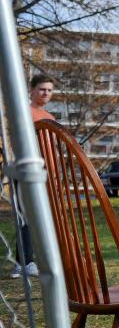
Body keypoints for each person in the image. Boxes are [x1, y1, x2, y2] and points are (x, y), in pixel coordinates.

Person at [11, 75, 56, 279]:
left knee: (37, 218)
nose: (45, 93)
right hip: (26, 170)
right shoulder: (24, 112)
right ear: (31, 89)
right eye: (42, 89)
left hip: (45, 174)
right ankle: (26, 262)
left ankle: (25, 261)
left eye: (49, 90)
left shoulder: (50, 117)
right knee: (25, 217)